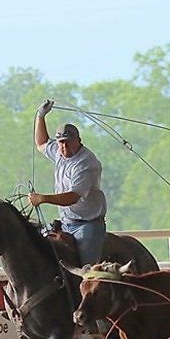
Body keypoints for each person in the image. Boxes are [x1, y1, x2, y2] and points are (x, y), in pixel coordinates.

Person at [31, 99, 107, 267]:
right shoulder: (59, 153)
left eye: (67, 141)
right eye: (60, 142)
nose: (63, 146)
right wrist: (41, 116)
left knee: (85, 269)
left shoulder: (86, 163)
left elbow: (73, 197)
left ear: (78, 141)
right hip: (66, 222)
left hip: (87, 225)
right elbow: (42, 143)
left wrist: (43, 198)